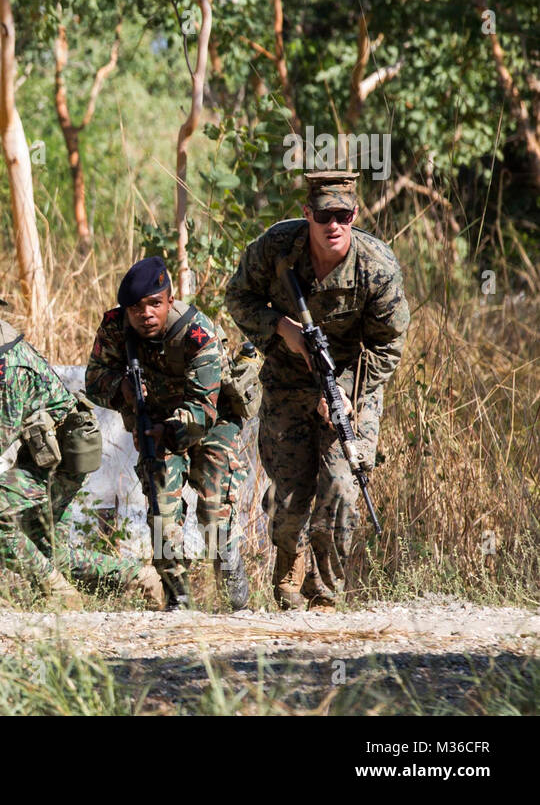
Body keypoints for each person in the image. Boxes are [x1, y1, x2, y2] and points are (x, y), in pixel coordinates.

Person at [0, 270, 164, 610]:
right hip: (43, 450)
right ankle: (137, 577)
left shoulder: (8, 367)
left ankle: (59, 595)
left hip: (63, 455)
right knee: (47, 549)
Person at [225, 171, 409, 610]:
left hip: (350, 382)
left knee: (344, 487)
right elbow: (238, 298)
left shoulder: (376, 267)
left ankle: (326, 590)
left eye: (343, 215)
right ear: (307, 213)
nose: (334, 225)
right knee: (290, 496)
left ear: (355, 214)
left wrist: (346, 393)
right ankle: (290, 559)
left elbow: (389, 345)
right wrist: (281, 329)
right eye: (324, 214)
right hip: (287, 379)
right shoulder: (276, 248)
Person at [84, 257, 251, 611]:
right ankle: (178, 598)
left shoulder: (197, 334)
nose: (145, 314)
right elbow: (94, 382)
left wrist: (165, 429)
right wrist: (123, 389)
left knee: (215, 512)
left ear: (170, 300)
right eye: (135, 308)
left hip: (211, 422)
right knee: (162, 513)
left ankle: (234, 604)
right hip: (154, 421)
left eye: (154, 304)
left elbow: (202, 410)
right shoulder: (115, 328)